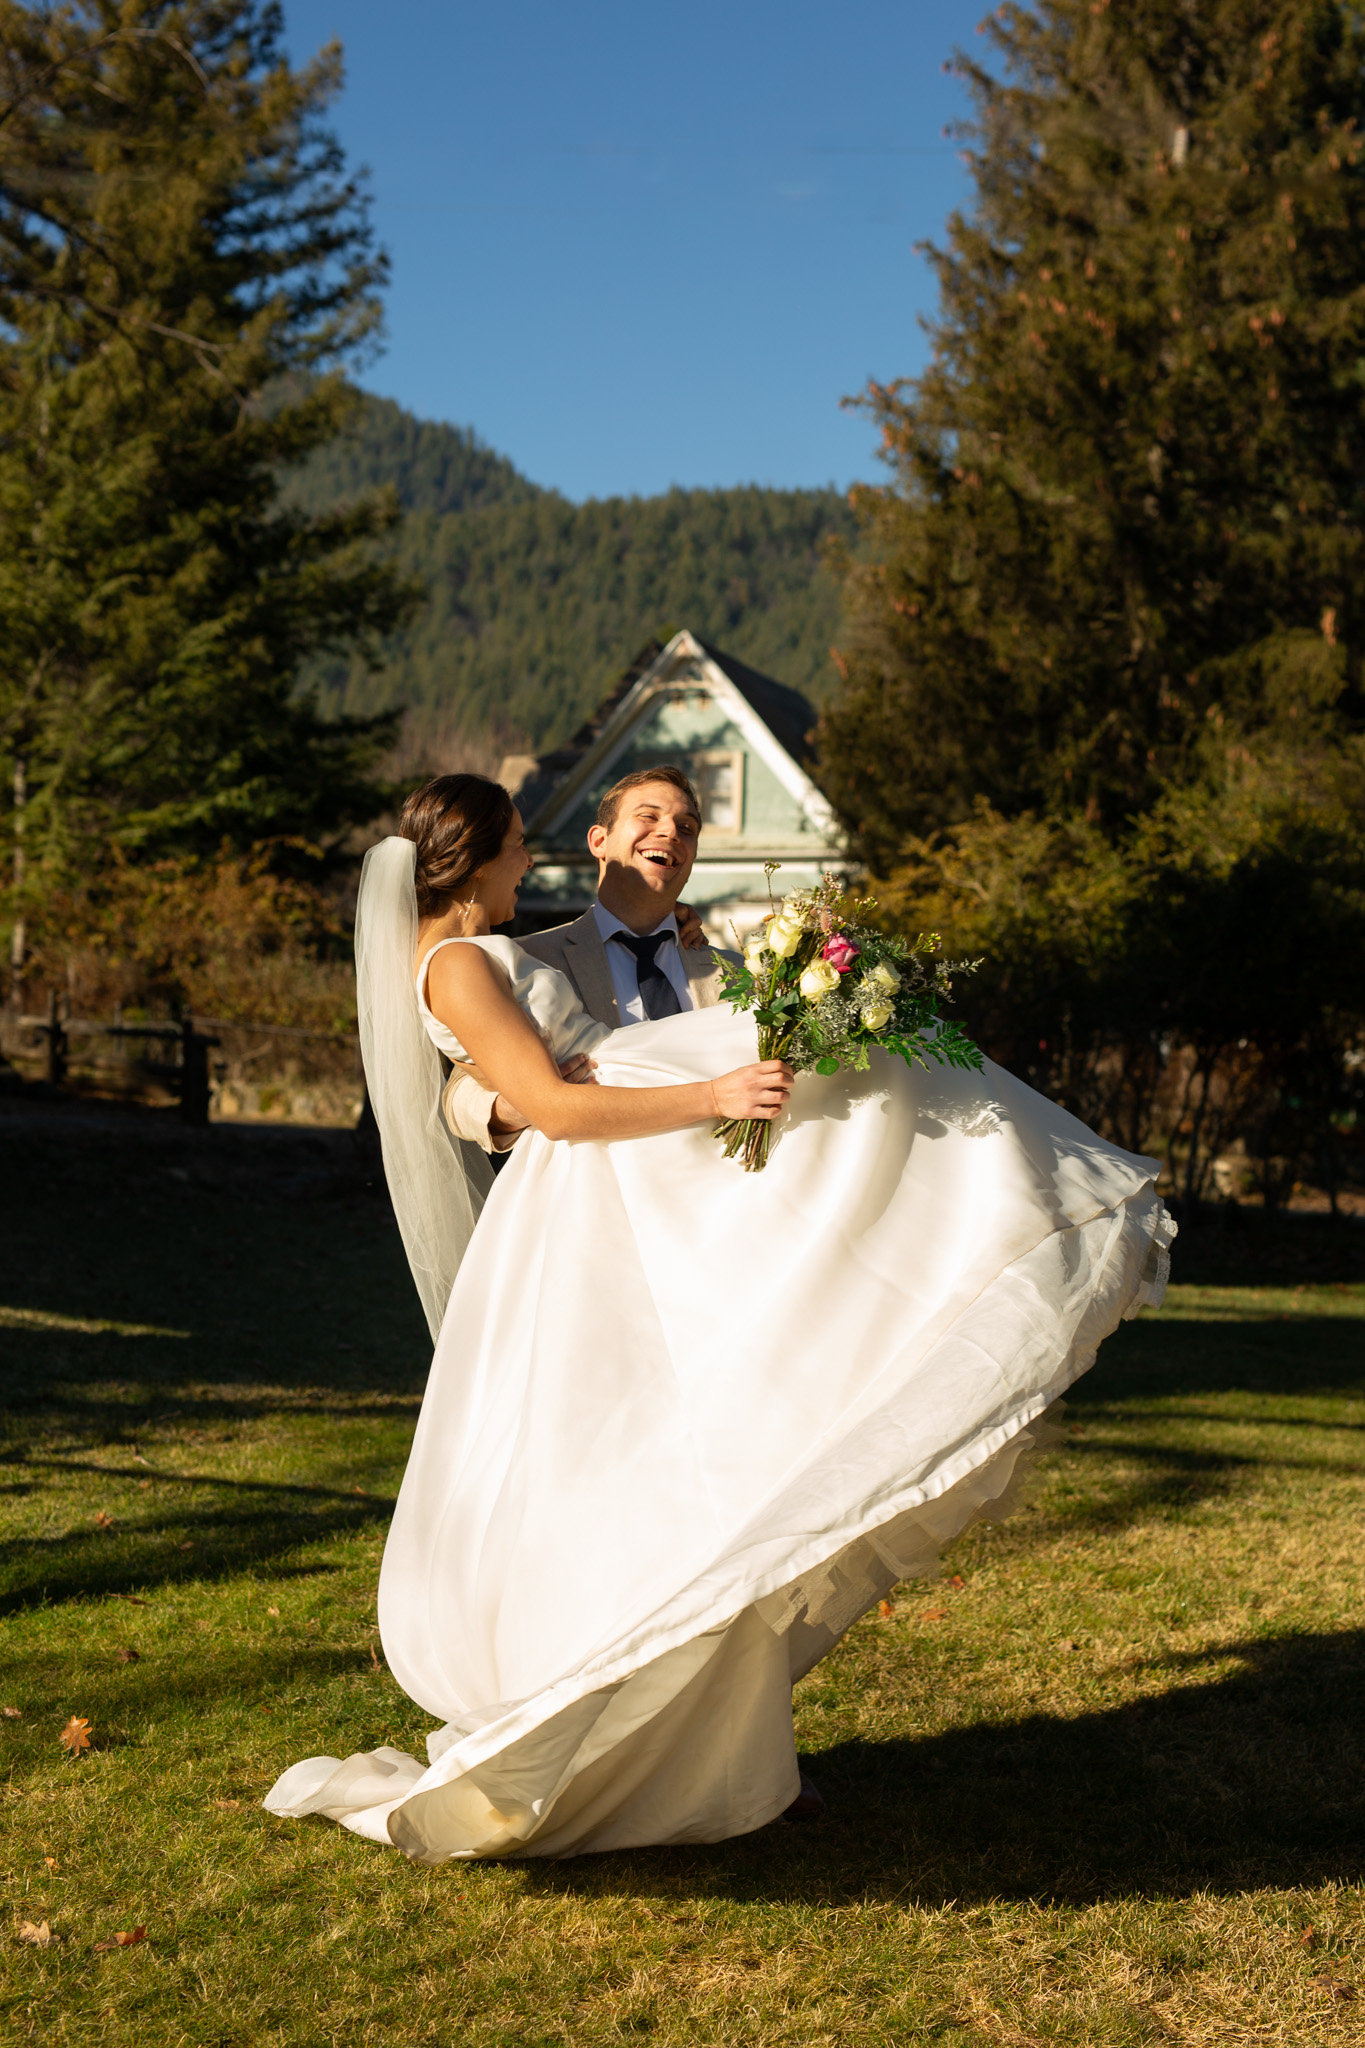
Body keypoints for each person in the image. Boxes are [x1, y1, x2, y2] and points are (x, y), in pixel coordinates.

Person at [265, 773, 1174, 1863]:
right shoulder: (505, 953)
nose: (668, 836)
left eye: (689, 825)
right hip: (607, 1229)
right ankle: (630, 1730)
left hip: (722, 1234)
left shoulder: (715, 955)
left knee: (749, 1470)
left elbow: (741, 1052)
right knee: (653, 1481)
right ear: (563, 844)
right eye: (533, 842)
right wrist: (609, 1100)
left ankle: (734, 1754)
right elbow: (480, 1089)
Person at [442, 765, 733, 1156]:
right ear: (599, 840)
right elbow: (459, 1094)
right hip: (596, 1193)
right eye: (648, 816)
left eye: (687, 828)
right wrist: (518, 1105)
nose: (670, 833)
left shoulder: (739, 971)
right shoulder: (529, 959)